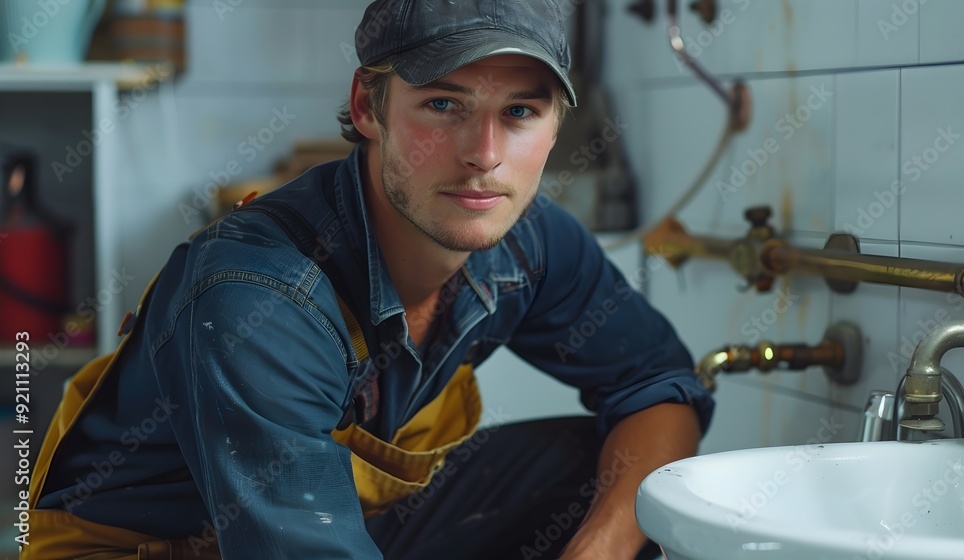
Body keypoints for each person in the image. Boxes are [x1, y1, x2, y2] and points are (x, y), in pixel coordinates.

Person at [25, 0, 714, 558]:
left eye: (520, 113)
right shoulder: (257, 298)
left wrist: (597, 550)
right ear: (367, 107)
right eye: (444, 105)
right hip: (159, 547)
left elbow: (657, 387)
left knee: (604, 471)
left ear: (556, 125)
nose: (483, 155)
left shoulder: (531, 242)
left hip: (338, 521)